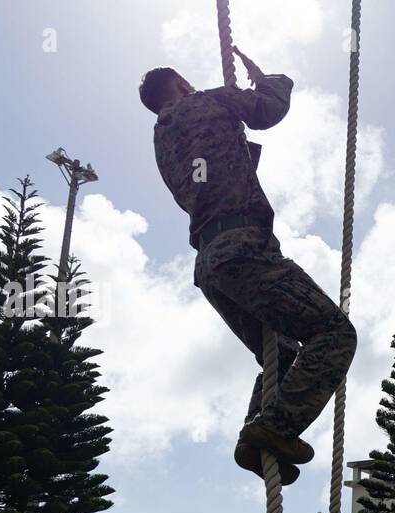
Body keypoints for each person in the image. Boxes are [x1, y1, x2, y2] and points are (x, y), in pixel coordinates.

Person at [140, 52, 357, 483]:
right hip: (244, 249)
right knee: (334, 333)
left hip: (211, 264)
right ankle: (274, 428)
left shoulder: (162, 139)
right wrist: (267, 79)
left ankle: (252, 437)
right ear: (182, 83)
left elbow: (216, 165)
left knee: (280, 357)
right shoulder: (207, 101)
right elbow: (266, 111)